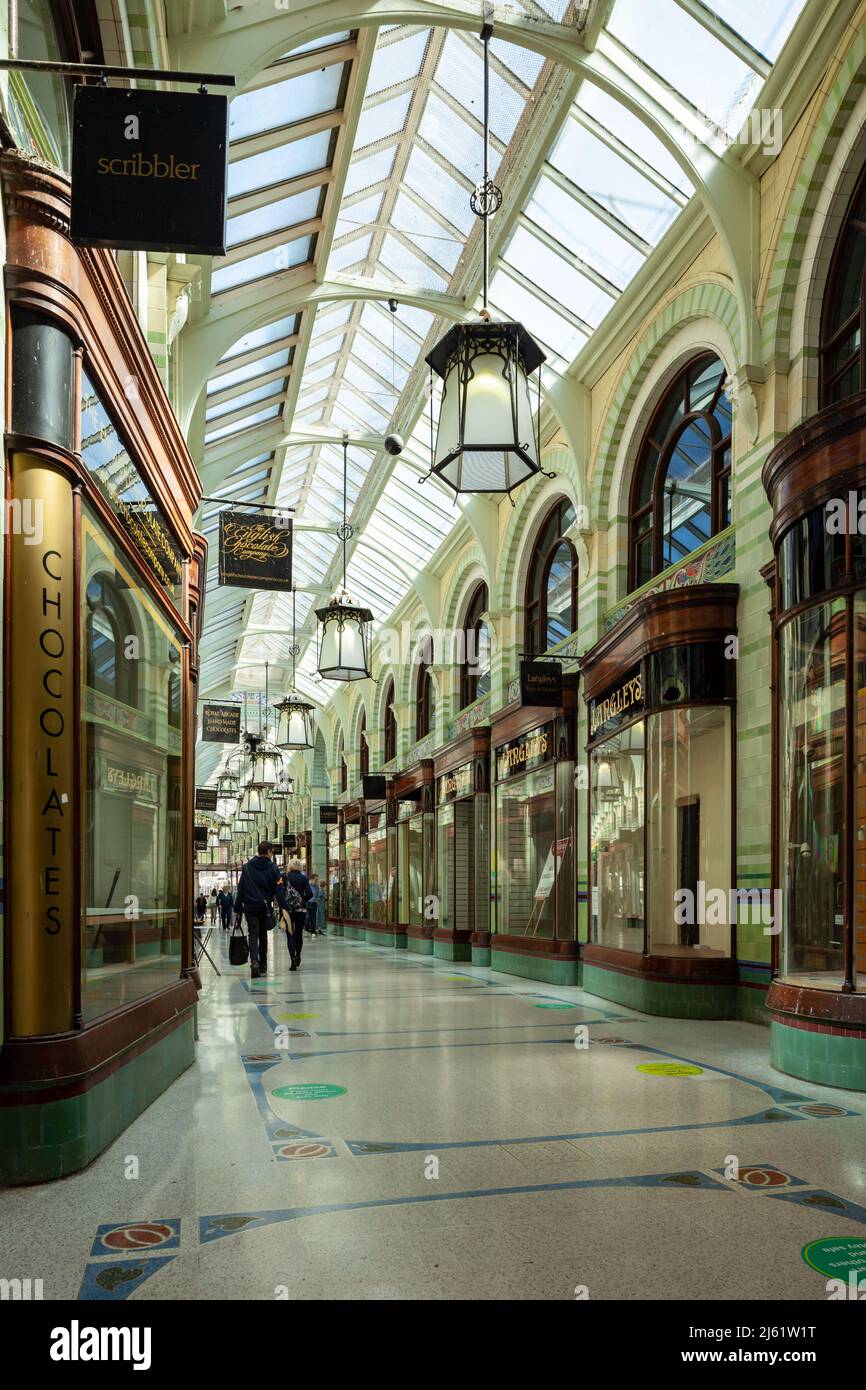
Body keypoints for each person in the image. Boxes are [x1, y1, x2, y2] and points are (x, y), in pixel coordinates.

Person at [234, 842, 289, 980]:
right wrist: (284, 905)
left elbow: (241, 888)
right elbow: (279, 889)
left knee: (253, 933)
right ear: (269, 851)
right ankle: (263, 964)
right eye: (271, 852)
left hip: (250, 907)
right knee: (263, 934)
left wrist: (237, 907)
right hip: (265, 907)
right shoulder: (273, 868)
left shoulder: (247, 868)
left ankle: (254, 962)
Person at [284, 858, 313, 972]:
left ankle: (292, 960)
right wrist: (302, 901)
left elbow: (279, 892)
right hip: (301, 910)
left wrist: (284, 904)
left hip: (288, 911)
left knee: (290, 934)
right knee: (298, 933)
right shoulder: (304, 878)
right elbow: (310, 893)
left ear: (290, 866)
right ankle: (298, 955)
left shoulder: (284, 877)